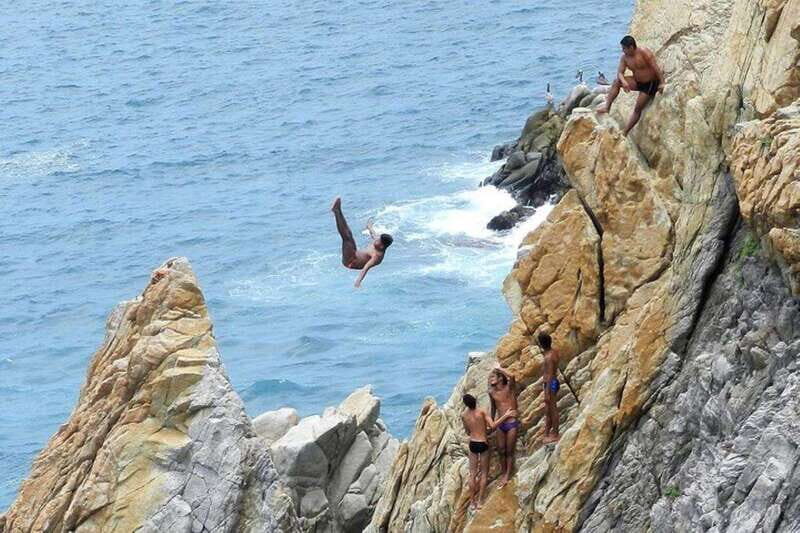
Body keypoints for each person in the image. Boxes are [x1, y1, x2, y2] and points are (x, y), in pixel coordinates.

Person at [597, 35, 665, 135]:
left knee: (637, 108)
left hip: (649, 84)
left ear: (631, 47)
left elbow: (655, 67)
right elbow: (620, 73)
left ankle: (625, 132)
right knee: (616, 82)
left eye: (624, 48)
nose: (623, 51)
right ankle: (607, 107)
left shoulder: (644, 52)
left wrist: (662, 82)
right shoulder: (625, 58)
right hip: (637, 82)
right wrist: (624, 82)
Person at [461, 394, 517, 510]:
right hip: (483, 443)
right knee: (484, 473)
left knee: (472, 474)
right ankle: (480, 501)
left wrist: (475, 430)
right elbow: (493, 425)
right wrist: (506, 415)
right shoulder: (481, 412)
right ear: (475, 401)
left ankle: (472, 502)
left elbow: (467, 432)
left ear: (466, 404)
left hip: (473, 444)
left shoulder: (464, 415)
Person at [331, 197, 393, 288]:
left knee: (347, 238)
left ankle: (337, 211)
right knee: (348, 235)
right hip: (354, 253)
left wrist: (358, 281)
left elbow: (366, 268)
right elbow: (373, 234)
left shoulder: (377, 256)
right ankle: (338, 211)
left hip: (350, 261)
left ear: (381, 247)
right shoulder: (378, 242)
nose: (376, 240)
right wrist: (369, 226)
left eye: (378, 241)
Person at [488, 366, 520, 487]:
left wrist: (498, 368)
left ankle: (507, 474)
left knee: (509, 450)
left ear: (500, 378)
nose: (490, 379)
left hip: (511, 423)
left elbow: (512, 376)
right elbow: (493, 408)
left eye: (493, 376)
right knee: (501, 450)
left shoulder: (509, 388)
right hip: (500, 424)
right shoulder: (492, 392)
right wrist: (491, 423)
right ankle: (503, 472)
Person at [539, 333, 561, 443]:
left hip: (551, 384)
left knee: (553, 409)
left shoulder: (548, 357)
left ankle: (556, 434)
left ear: (541, 344)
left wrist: (547, 392)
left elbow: (550, 375)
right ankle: (548, 433)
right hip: (553, 382)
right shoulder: (553, 352)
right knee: (549, 409)